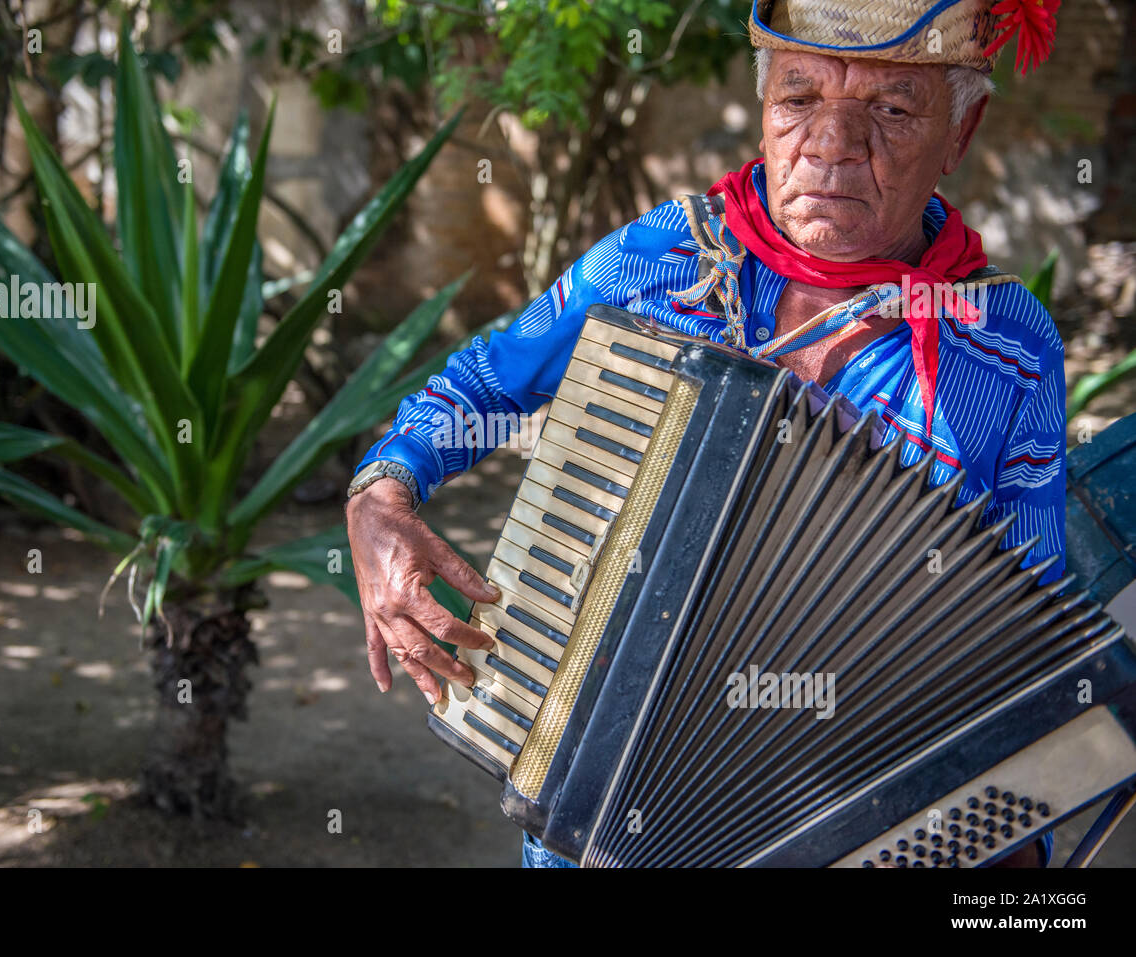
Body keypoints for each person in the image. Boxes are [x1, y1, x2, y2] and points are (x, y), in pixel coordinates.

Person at [345, 0, 1065, 868]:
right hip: (591, 813)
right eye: (799, 98)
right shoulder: (664, 257)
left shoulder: (1006, 345)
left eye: (892, 108)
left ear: (962, 129)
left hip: (833, 832)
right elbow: (481, 383)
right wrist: (380, 494)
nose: (832, 143)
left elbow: (1025, 657)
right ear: (764, 109)